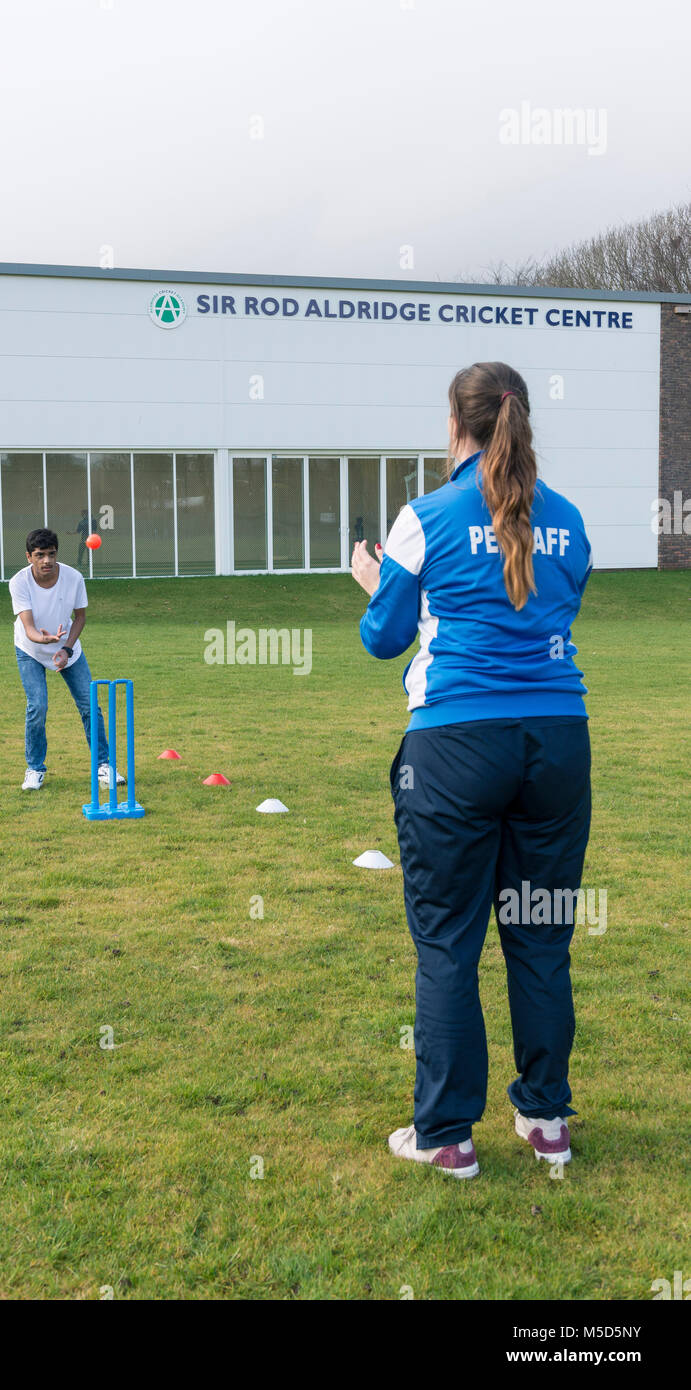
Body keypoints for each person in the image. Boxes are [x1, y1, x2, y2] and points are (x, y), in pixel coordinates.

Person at [352, 361, 593, 1180]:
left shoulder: (425, 516)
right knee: (540, 938)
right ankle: (546, 1118)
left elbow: (382, 640)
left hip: (456, 747)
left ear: (455, 425)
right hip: (556, 746)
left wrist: (376, 581)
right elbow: (551, 610)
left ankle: (447, 1136)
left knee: (447, 942)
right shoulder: (568, 519)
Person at [9, 527, 124, 791]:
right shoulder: (18, 582)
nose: (47, 561)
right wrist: (45, 640)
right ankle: (35, 769)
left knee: (89, 705)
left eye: (51, 554)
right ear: (29, 557)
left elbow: (80, 617)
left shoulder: (73, 577)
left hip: (68, 649)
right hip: (31, 649)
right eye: (40, 555)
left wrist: (66, 649)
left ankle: (103, 766)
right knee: (37, 706)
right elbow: (28, 629)